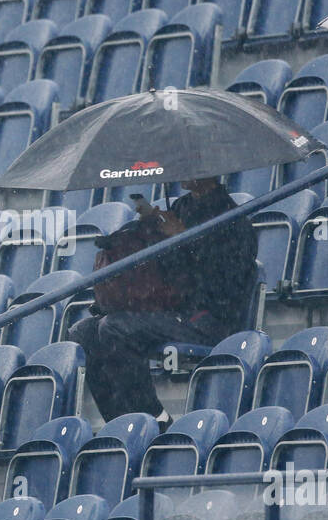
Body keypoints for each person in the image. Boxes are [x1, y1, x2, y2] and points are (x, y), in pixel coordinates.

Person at [68, 177, 258, 427]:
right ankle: (120, 422)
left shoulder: (234, 220)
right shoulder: (182, 207)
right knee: (83, 332)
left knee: (116, 327)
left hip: (210, 319)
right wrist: (150, 228)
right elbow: (169, 269)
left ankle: (155, 418)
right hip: (172, 312)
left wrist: (183, 237)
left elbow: (223, 283)